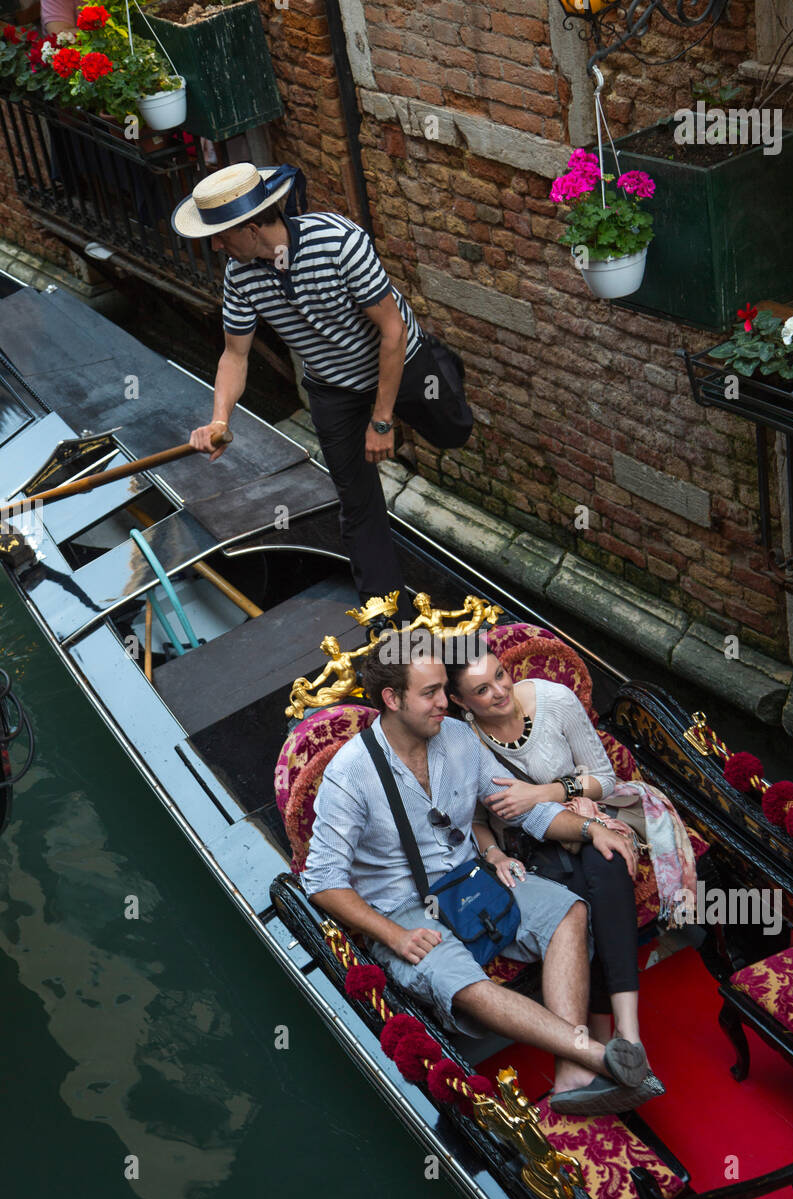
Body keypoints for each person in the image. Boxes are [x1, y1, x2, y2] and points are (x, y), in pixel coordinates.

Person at [301, 643, 649, 1116]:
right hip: (401, 910)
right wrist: (393, 935)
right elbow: (320, 880)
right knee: (464, 984)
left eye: (445, 688)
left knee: (569, 910)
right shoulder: (349, 774)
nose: (446, 702)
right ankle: (596, 1055)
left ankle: (571, 1074)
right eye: (431, 693)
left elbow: (523, 811)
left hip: (472, 880)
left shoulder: (459, 740)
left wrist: (591, 830)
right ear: (392, 699)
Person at [173, 163, 473, 622]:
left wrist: (382, 421)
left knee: (455, 432)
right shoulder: (240, 273)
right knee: (356, 503)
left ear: (252, 228)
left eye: (220, 235)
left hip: (402, 360)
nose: (215, 245)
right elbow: (235, 356)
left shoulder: (339, 242)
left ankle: (442, 365)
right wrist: (219, 421)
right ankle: (389, 621)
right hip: (333, 386)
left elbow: (391, 332)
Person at [445, 643, 697, 1071]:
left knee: (609, 864)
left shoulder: (554, 701)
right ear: (459, 701)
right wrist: (493, 854)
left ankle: (628, 1033)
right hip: (528, 844)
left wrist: (544, 793)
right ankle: (600, 1039)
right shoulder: (462, 744)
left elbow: (603, 778)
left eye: (501, 676)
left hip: (588, 813)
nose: (500, 692)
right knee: (577, 898)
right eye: (482, 690)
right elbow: (472, 820)